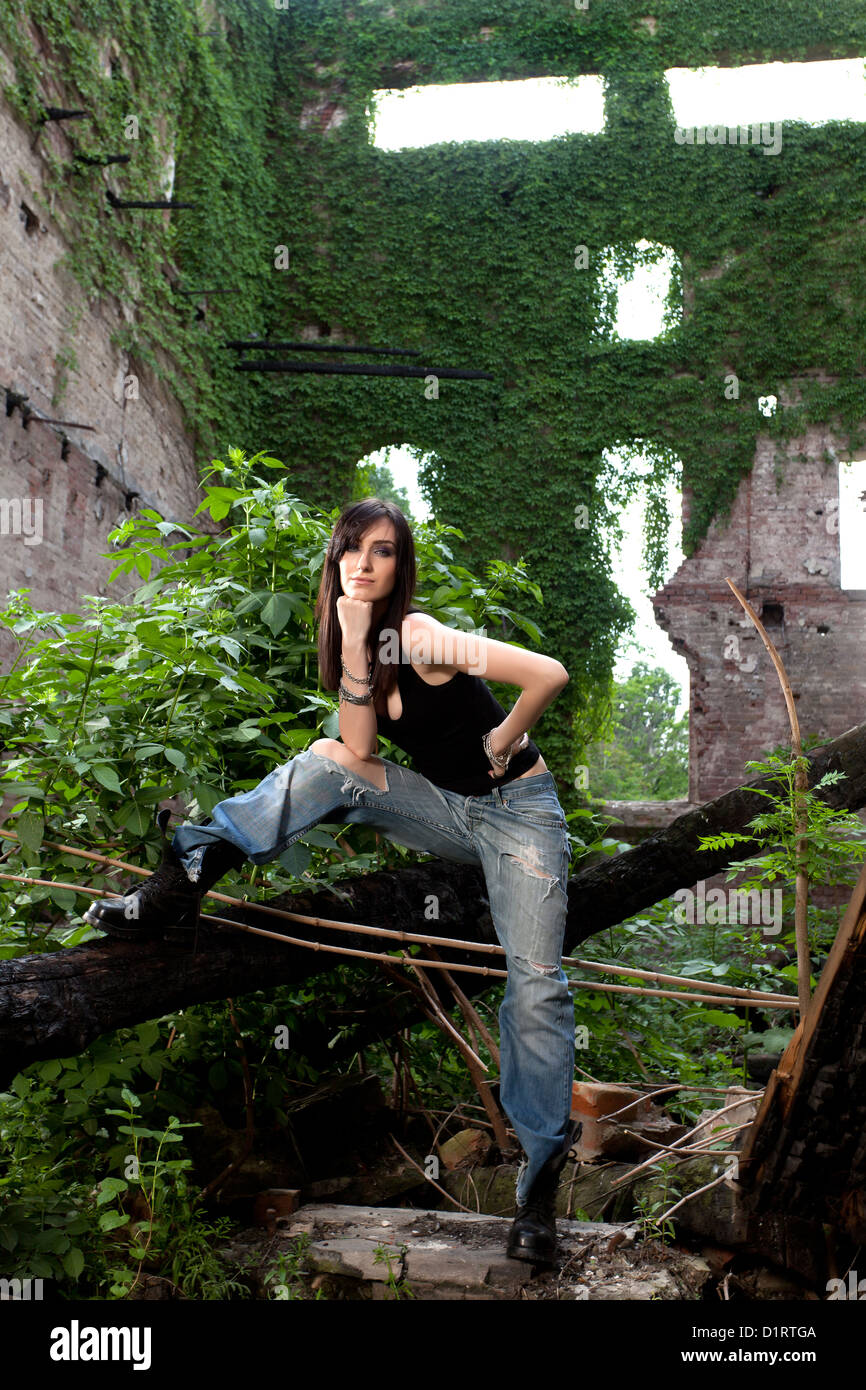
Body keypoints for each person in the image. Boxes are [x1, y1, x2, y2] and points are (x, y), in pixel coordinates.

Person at [84, 497, 580, 1263]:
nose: (363, 563)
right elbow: (355, 747)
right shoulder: (366, 643)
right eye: (351, 549)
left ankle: (540, 1183)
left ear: (398, 564)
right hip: (448, 812)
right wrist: (352, 640)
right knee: (327, 759)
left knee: (538, 985)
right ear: (335, 560)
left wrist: (500, 741)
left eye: (381, 551)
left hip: (521, 818)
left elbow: (547, 673)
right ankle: (189, 868)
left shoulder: (419, 634)